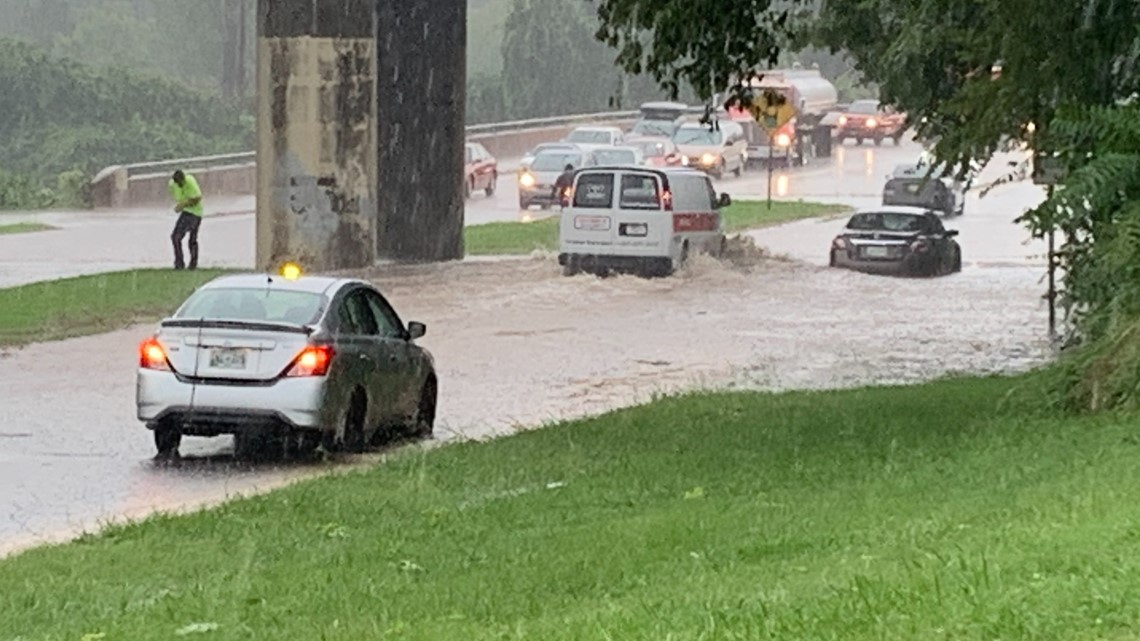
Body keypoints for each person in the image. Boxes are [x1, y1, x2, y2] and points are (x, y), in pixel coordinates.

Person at [169, 170, 204, 270]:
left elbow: (198, 198)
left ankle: (193, 264)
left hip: (195, 213)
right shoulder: (172, 185)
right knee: (175, 237)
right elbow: (178, 197)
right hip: (186, 212)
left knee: (192, 239)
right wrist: (181, 205)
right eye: (178, 183)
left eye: (181, 182)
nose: (180, 185)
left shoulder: (190, 181)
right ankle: (179, 263)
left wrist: (183, 205)